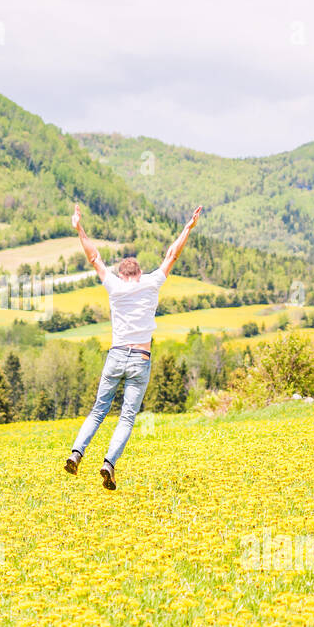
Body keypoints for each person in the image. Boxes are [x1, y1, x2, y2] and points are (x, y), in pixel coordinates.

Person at [64, 202, 202, 489]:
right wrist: (187, 228)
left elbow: (94, 257)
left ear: (122, 275)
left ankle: (77, 452)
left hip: (115, 356)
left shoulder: (113, 286)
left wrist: (79, 227)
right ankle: (108, 464)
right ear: (138, 273)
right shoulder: (151, 283)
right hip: (140, 357)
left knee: (98, 411)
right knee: (126, 417)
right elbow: (172, 254)